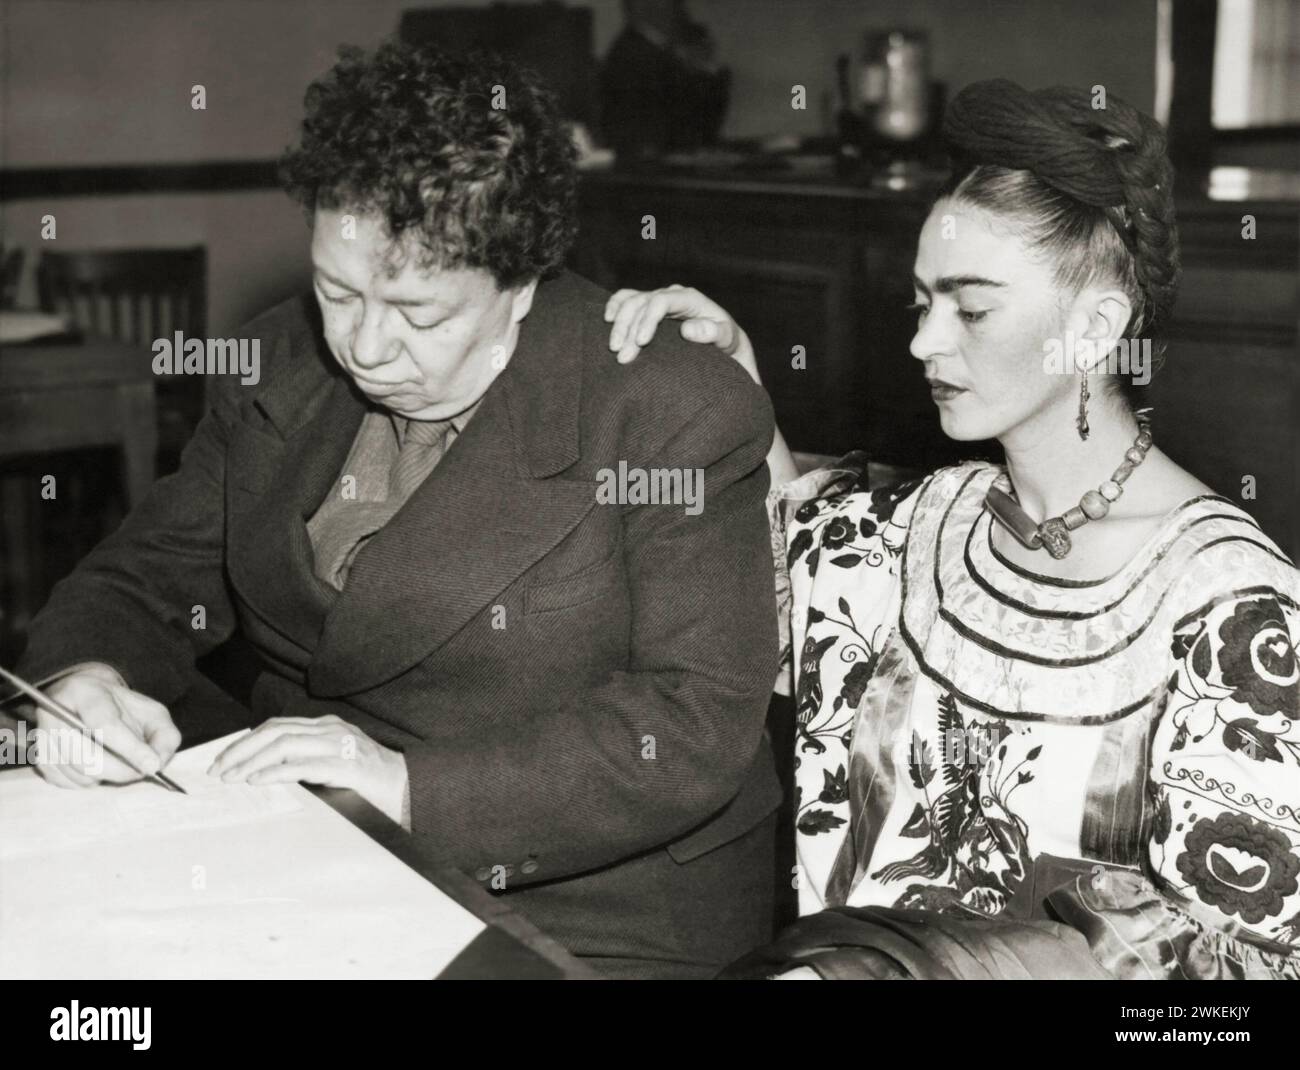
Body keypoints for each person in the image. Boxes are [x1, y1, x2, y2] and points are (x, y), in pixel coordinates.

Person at [15, 41, 783, 980]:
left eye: (419, 313)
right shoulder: (277, 362)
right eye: (338, 292)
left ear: (522, 283)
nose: (364, 346)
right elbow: (144, 578)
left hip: (595, 909)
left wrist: (406, 785)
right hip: (315, 848)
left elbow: (693, 721)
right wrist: (85, 675)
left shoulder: (666, 405)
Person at [606, 79, 1300, 979]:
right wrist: (733, 383)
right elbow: (787, 563)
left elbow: (1224, 997)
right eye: (920, 304)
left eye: (970, 309)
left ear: (1095, 330)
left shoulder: (1237, 616)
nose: (923, 342)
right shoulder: (922, 524)